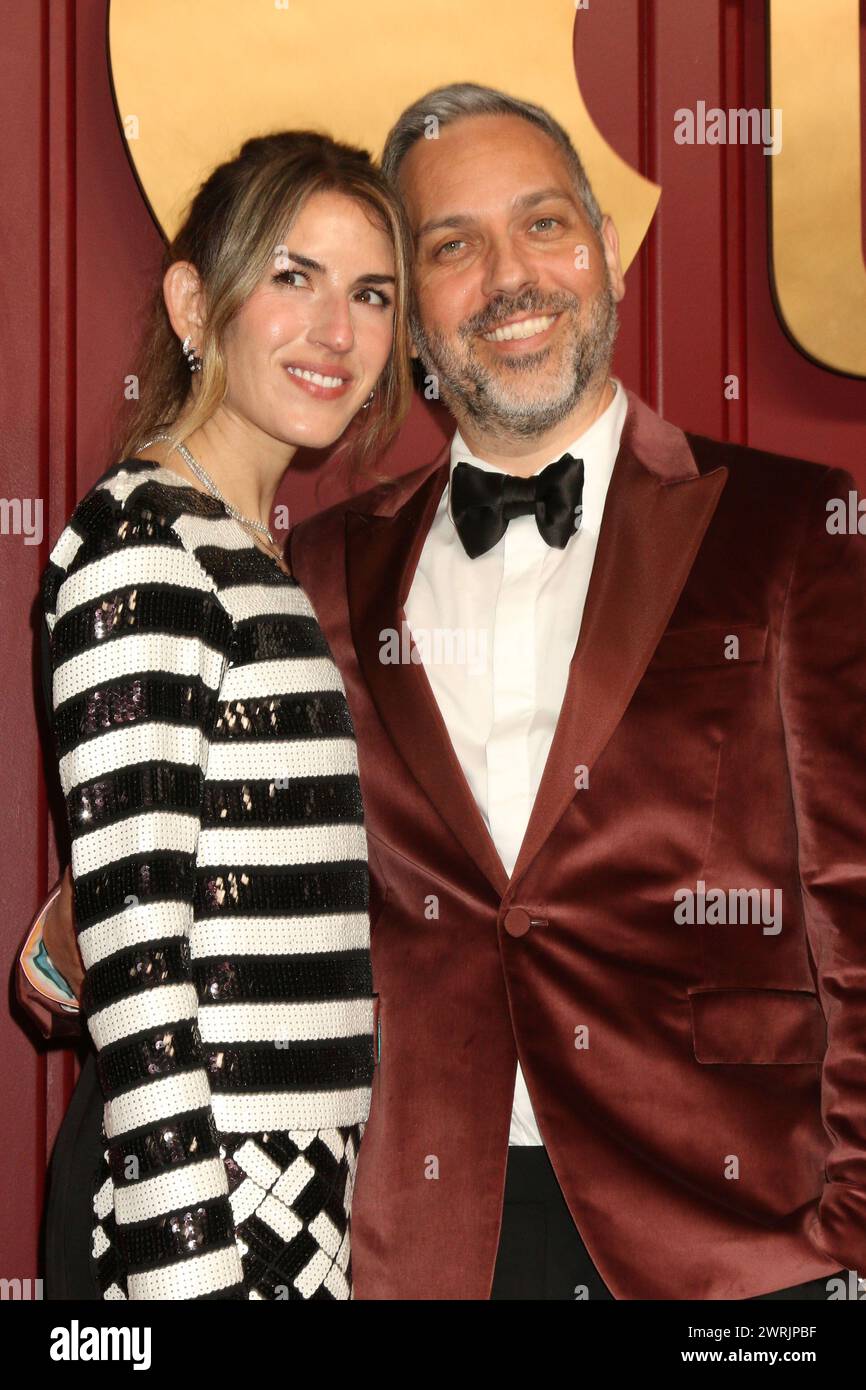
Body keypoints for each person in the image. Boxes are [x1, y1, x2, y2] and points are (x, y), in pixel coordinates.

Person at [37, 83, 866, 1301]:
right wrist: (74, 930)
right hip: (408, 1237)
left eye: (543, 225)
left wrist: (843, 1231)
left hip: (728, 1239)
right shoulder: (309, 573)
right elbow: (139, 906)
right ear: (415, 325)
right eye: (449, 246)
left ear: (609, 258)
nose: (509, 276)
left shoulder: (791, 525)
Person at [36, 128, 413, 1299]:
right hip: (190, 1210)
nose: (336, 333)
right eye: (292, 278)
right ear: (194, 304)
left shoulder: (237, 550)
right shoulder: (145, 543)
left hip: (284, 1194)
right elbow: (137, 967)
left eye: (369, 294)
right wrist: (188, 1279)